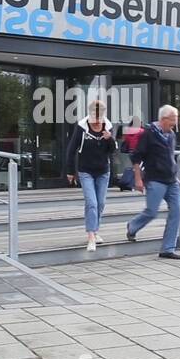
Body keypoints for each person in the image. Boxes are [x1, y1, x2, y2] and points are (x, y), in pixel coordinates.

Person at [126, 105, 180, 259]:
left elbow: (170, 157)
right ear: (163, 119)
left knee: (177, 210)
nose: (174, 124)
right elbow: (136, 157)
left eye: (175, 121)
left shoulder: (171, 135)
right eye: (172, 121)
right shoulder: (149, 134)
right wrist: (138, 179)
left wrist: (175, 175)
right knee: (152, 211)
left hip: (171, 180)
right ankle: (132, 226)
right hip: (155, 179)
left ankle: (167, 249)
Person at [65, 99, 115, 252]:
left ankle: (95, 230)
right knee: (91, 203)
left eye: (100, 115)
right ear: (90, 113)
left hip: (103, 171)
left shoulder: (108, 126)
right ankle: (91, 236)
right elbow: (71, 149)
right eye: (95, 115)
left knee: (100, 203)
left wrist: (110, 139)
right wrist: (69, 171)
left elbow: (112, 150)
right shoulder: (81, 127)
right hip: (85, 170)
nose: (97, 119)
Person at [116, 116, 143, 191]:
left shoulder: (128, 131)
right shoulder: (141, 131)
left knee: (133, 168)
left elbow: (126, 140)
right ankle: (130, 183)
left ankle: (127, 182)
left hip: (130, 151)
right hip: (138, 152)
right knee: (137, 169)